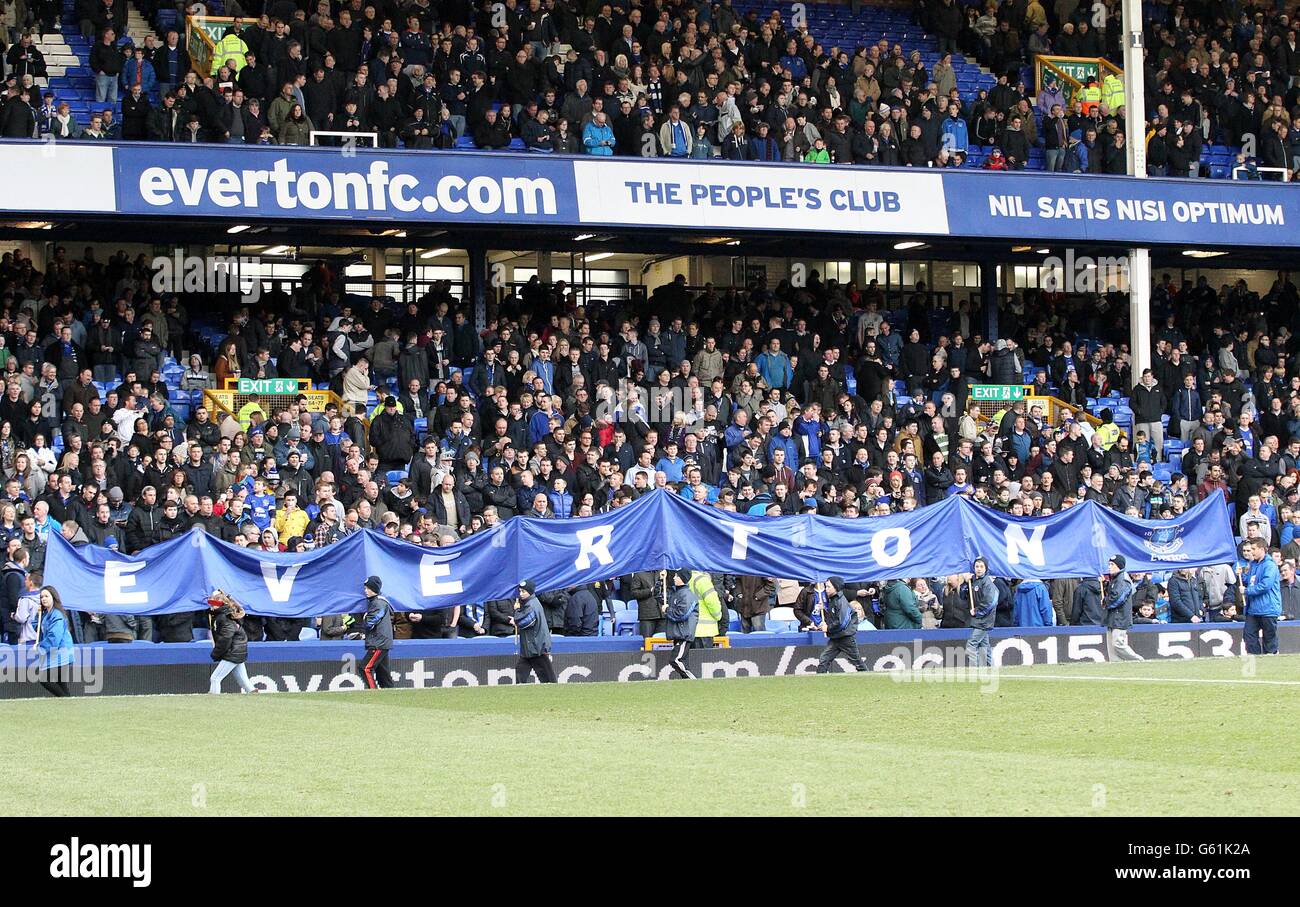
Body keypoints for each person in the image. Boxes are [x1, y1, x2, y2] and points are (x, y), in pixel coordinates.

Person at [206, 589, 255, 694]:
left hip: (233, 651)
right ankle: (255, 696)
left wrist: (216, 653)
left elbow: (226, 638)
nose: (211, 604)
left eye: (213, 601)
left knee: (215, 678)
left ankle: (213, 703)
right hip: (238, 650)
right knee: (244, 680)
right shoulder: (225, 614)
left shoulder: (224, 617)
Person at [816, 576, 866, 673]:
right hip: (836, 637)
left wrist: (828, 628)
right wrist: (825, 610)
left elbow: (842, 622)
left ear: (836, 587)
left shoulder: (841, 601)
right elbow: (835, 616)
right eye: (826, 586)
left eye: (828, 587)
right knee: (824, 659)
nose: (826, 589)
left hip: (845, 637)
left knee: (857, 662)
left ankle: (869, 679)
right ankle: (820, 680)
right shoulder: (834, 600)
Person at [31, 585, 74, 697]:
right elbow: (38, 628)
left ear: (53, 598)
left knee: (44, 679)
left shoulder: (57, 615)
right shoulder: (45, 614)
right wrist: (37, 616)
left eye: (46, 596)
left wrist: (40, 647)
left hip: (61, 653)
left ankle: (65, 700)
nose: (43, 599)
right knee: (61, 685)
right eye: (41, 597)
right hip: (55, 654)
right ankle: (69, 705)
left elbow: (54, 638)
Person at [1240, 539, 1281, 655]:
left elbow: (1265, 586)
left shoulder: (1270, 565)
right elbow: (1251, 581)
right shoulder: (1253, 564)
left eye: (1253, 549)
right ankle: (1256, 660)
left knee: (1269, 640)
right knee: (1249, 636)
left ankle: (1270, 662)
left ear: (1262, 549)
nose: (1251, 552)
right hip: (1253, 609)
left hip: (1268, 608)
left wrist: (1247, 591)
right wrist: (1242, 575)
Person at [513, 579, 556, 683]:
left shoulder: (531, 605)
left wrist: (516, 612)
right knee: (520, 674)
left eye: (523, 591)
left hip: (536, 647)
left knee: (549, 680)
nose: (521, 594)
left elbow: (526, 622)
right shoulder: (532, 603)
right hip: (531, 647)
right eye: (520, 591)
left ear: (530, 591)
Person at [1102, 555, 1143, 661]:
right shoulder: (1116, 579)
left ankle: (1138, 660)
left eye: (1112, 564)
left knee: (1118, 644)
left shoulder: (1123, 579)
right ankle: (1116, 668)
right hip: (1113, 617)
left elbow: (1118, 598)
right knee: (1112, 649)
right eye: (1109, 564)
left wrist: (1106, 602)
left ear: (1119, 566)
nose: (1109, 567)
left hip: (1120, 618)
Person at [358, 575, 395, 689]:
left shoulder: (378, 604)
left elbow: (370, 623)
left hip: (378, 642)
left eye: (367, 588)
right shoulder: (379, 602)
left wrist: (365, 617)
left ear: (374, 589)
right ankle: (390, 694)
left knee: (365, 668)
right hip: (382, 641)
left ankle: (372, 692)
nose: (365, 591)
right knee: (383, 674)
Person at [664, 569, 698, 679]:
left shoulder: (687, 595)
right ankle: (688, 684)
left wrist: (667, 610)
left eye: (676, 576)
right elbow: (659, 596)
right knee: (682, 662)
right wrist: (661, 580)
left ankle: (693, 681)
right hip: (678, 633)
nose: (674, 578)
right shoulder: (676, 593)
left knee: (676, 660)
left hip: (684, 634)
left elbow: (681, 615)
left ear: (682, 579)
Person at [966, 558, 996, 667]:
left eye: (981, 566)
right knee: (985, 645)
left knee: (971, 644)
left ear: (986, 568)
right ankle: (991, 668)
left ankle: (973, 669)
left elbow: (991, 601)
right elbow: (966, 597)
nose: (979, 569)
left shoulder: (987, 583)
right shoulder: (974, 582)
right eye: (977, 566)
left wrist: (977, 612)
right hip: (979, 620)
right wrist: (966, 583)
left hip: (984, 620)